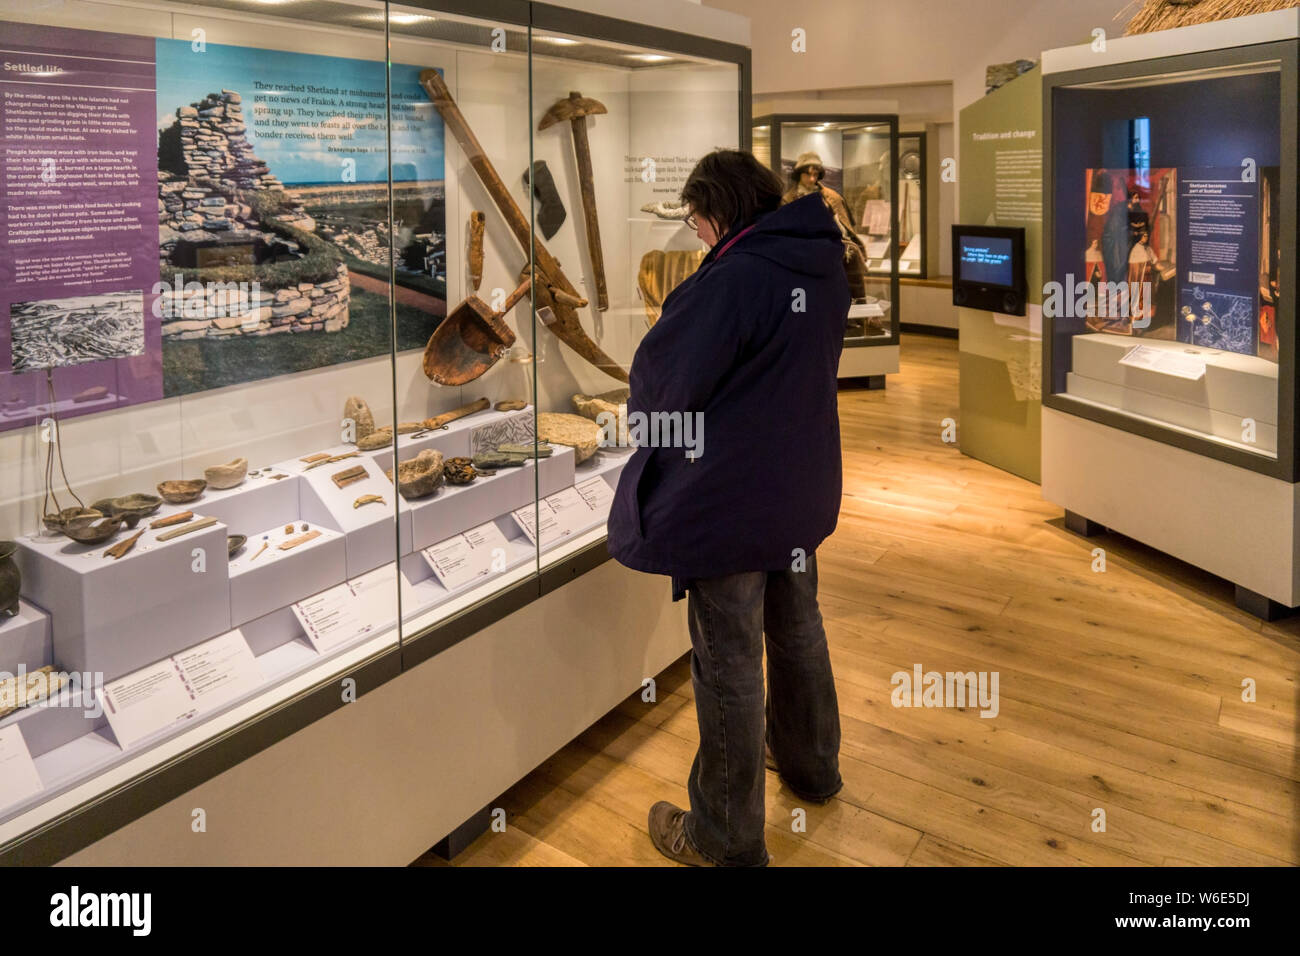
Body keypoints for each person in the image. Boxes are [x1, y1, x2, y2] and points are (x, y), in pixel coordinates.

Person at [607, 149, 848, 867]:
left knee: (729, 661)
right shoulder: (817, 257)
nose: (699, 234)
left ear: (720, 209)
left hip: (730, 501)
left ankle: (723, 836)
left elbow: (662, 385)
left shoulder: (737, 276)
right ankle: (811, 767)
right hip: (798, 486)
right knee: (798, 628)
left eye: (699, 219)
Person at [782, 151, 868, 299]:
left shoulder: (832, 197)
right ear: (798, 175)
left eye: (815, 175)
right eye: (807, 174)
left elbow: (844, 226)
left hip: (831, 244)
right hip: (800, 248)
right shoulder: (788, 200)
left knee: (851, 256)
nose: (811, 179)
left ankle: (858, 309)